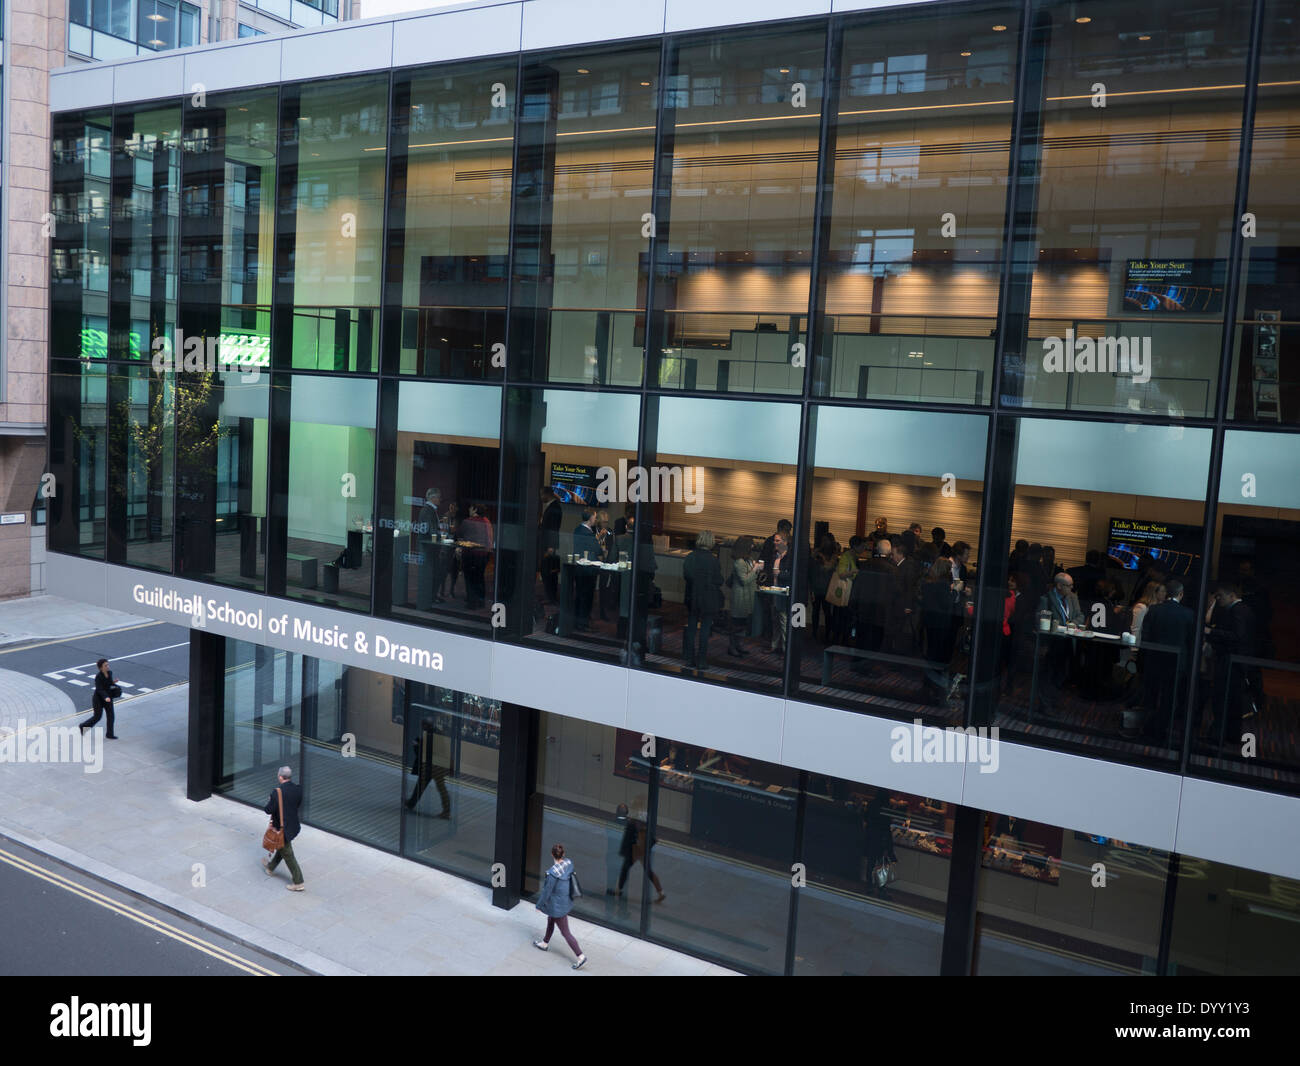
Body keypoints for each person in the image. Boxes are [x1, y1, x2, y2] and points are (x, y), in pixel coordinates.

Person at [1139, 579, 1195, 743]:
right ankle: (1160, 730)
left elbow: (1146, 636)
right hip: (1176, 663)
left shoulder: (1154, 610)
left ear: (1166, 593)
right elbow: (1190, 642)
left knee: (1151, 694)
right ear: (1180, 594)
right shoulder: (1188, 614)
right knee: (1169, 698)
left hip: (1154, 660)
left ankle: (1145, 727)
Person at [1204, 583, 1258, 749]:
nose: (1218, 599)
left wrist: (1211, 632)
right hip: (1238, 663)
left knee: (1222, 699)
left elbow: (1237, 636)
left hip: (1230, 662)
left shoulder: (1237, 611)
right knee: (1233, 701)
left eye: (1220, 595)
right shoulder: (1245, 610)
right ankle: (1231, 735)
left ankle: (1218, 736)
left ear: (1232, 595)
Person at [533, 843, 587, 969]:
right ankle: (545, 943)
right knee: (550, 920)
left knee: (565, 932)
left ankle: (580, 956)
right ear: (563, 854)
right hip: (564, 901)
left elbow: (547, 891)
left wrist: (539, 905)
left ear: (552, 854)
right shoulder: (569, 863)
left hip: (558, 907)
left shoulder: (553, 874)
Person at [920, 559, 962, 702]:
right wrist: (956, 592)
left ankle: (928, 681)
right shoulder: (943, 584)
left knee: (931, 650)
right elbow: (947, 602)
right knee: (938, 653)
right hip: (941, 622)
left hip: (929, 620)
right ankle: (935, 682)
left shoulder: (927, 582)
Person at [682, 530, 724, 670]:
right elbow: (719, 581)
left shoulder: (690, 557)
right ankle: (701, 660)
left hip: (692, 596)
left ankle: (689, 658)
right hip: (708, 597)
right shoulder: (713, 560)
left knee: (691, 626)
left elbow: (687, 575)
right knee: (705, 629)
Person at [261, 766, 306, 892]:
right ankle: (270, 867)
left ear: (280, 777)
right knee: (282, 847)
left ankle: (299, 881)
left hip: (282, 829)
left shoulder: (277, 793)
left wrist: (270, 800)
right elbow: (296, 805)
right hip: (293, 826)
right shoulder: (298, 789)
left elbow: (268, 810)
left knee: (288, 854)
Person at [405, 717, 452, 818]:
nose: (422, 728)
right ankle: (446, 810)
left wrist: (416, 746)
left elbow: (425, 752)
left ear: (426, 725)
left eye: (423, 725)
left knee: (421, 785)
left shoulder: (429, 735)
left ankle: (411, 803)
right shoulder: (437, 733)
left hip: (431, 766)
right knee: (439, 788)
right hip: (437, 765)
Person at [616, 809, 665, 903]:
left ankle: (619, 890)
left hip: (637, 852)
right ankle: (661, 892)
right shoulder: (637, 827)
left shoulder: (639, 828)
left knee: (626, 869)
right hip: (638, 852)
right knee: (629, 869)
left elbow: (651, 841)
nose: (641, 825)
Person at [727, 534, 762, 657]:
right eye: (751, 543)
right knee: (737, 624)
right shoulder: (739, 562)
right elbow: (744, 580)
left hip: (747, 596)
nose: (753, 546)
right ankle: (732, 647)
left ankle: (737, 645)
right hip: (740, 597)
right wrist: (755, 570)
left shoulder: (747, 559)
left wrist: (755, 568)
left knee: (742, 623)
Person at [458, 503, 494, 609]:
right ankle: (481, 600)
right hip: (484, 554)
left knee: (470, 578)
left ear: (475, 510)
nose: (469, 509)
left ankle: (472, 602)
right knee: (479, 577)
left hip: (471, 553)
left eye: (470, 508)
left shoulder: (468, 521)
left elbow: (460, 534)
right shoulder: (487, 521)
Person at [762, 530, 792, 653]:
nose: (774, 542)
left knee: (784, 622)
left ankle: (786, 650)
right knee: (775, 621)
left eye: (777, 540)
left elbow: (793, 576)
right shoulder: (774, 556)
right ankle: (774, 646)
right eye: (774, 540)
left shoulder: (790, 557)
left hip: (783, 594)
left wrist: (781, 574)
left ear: (785, 542)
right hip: (774, 592)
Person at [78, 658, 122, 739]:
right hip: (98, 699)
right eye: (105, 665)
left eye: (108, 665)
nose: (108, 666)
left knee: (111, 716)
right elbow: (99, 689)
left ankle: (109, 734)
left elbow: (108, 683)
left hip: (108, 697)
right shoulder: (98, 677)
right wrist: (106, 697)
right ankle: (83, 726)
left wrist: (113, 682)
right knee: (97, 717)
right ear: (101, 668)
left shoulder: (109, 673)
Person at [571, 509, 599, 631]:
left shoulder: (577, 529)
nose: (595, 519)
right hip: (588, 569)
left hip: (579, 567)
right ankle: (583, 623)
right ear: (590, 518)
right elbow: (597, 550)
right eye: (595, 517)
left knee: (579, 594)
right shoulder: (588, 534)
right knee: (586, 596)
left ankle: (577, 621)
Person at [606, 804, 630, 896]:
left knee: (610, 882)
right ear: (627, 813)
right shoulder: (630, 826)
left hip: (612, 856)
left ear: (617, 812)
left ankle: (609, 904)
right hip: (624, 859)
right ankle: (622, 906)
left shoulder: (610, 823)